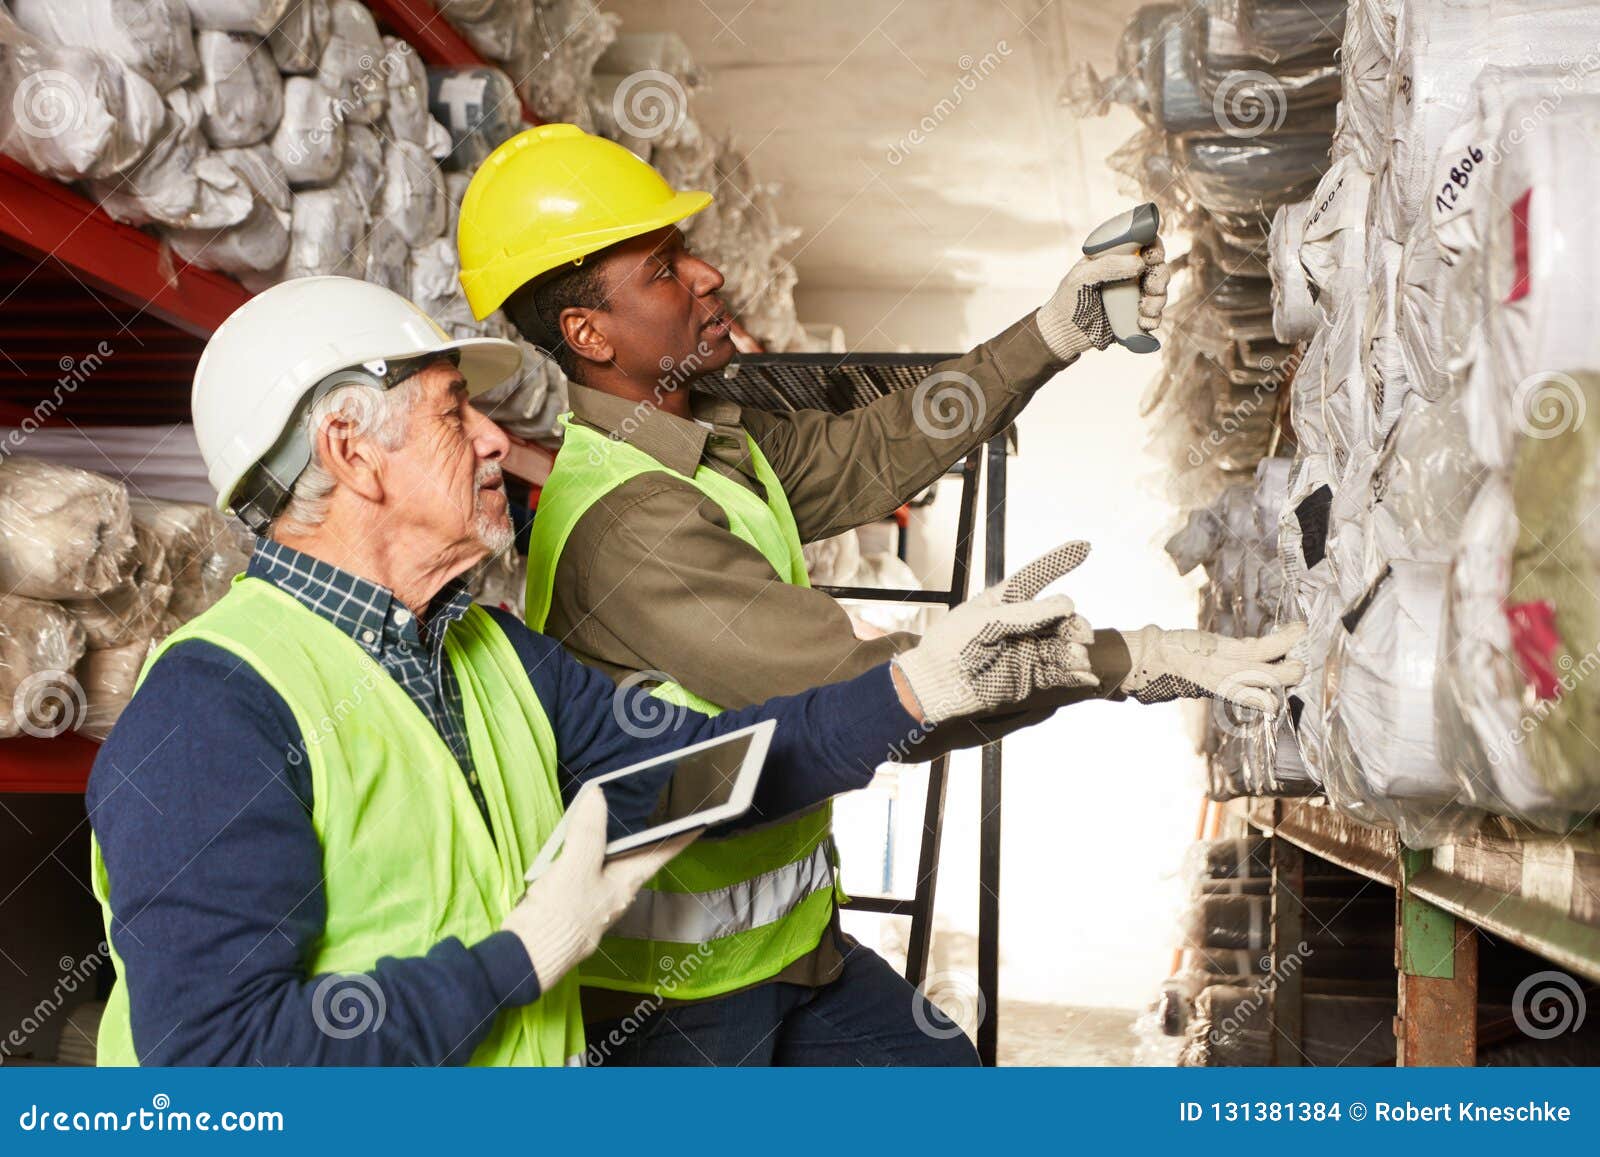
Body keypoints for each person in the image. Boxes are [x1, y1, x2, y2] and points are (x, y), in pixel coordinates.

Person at [85, 276, 1184, 1067]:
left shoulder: (483, 650)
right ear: (346, 449)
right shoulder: (212, 715)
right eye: (451, 415)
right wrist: (518, 958)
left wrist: (908, 693)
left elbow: (702, 767)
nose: (489, 446)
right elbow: (220, 1068)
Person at [455, 124, 1304, 1066]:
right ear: (588, 333)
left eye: (684, 252)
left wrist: (1054, 334)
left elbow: (874, 449)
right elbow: (877, 691)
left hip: (789, 950)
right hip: (677, 1000)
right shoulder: (630, 524)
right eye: (662, 269)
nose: (704, 276)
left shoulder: (709, 440)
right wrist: (1130, 658)